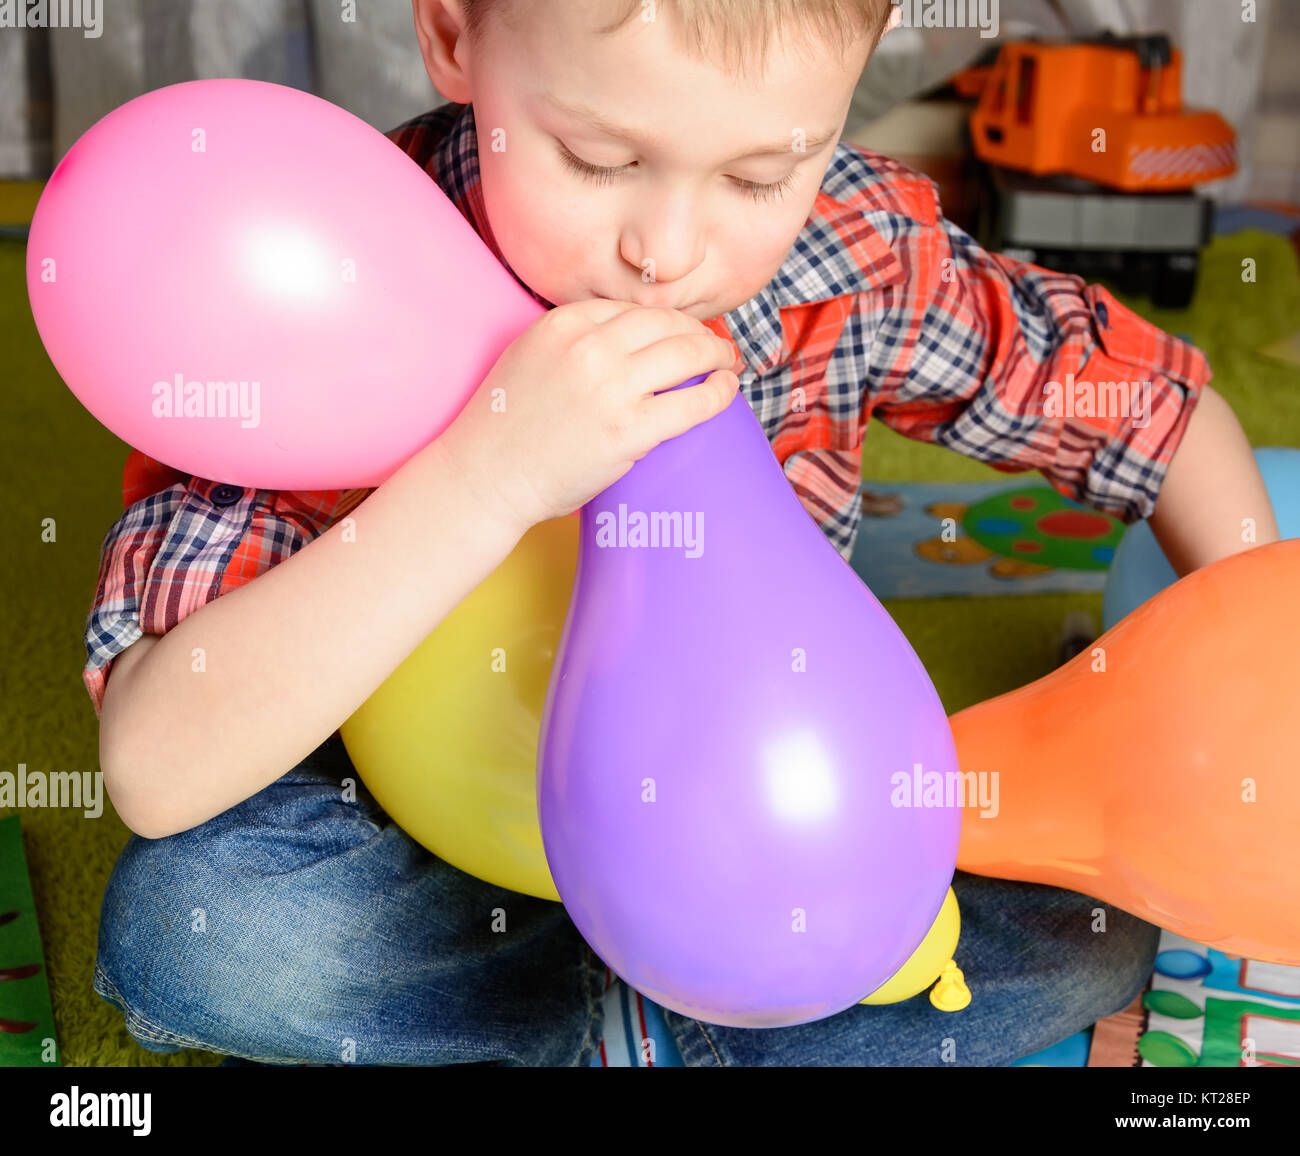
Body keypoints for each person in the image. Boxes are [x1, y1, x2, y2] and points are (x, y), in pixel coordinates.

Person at [86, 0, 1279, 1067]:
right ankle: (666, 1021)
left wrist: (1260, 684)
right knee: (203, 936)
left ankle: (654, 1007)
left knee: (1087, 931)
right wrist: (484, 478)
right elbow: (157, 766)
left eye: (759, 175)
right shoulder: (324, 265)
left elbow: (1156, 409)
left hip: (768, 848)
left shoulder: (847, 247)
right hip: (442, 858)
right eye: (597, 158)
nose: (666, 252)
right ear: (454, 34)